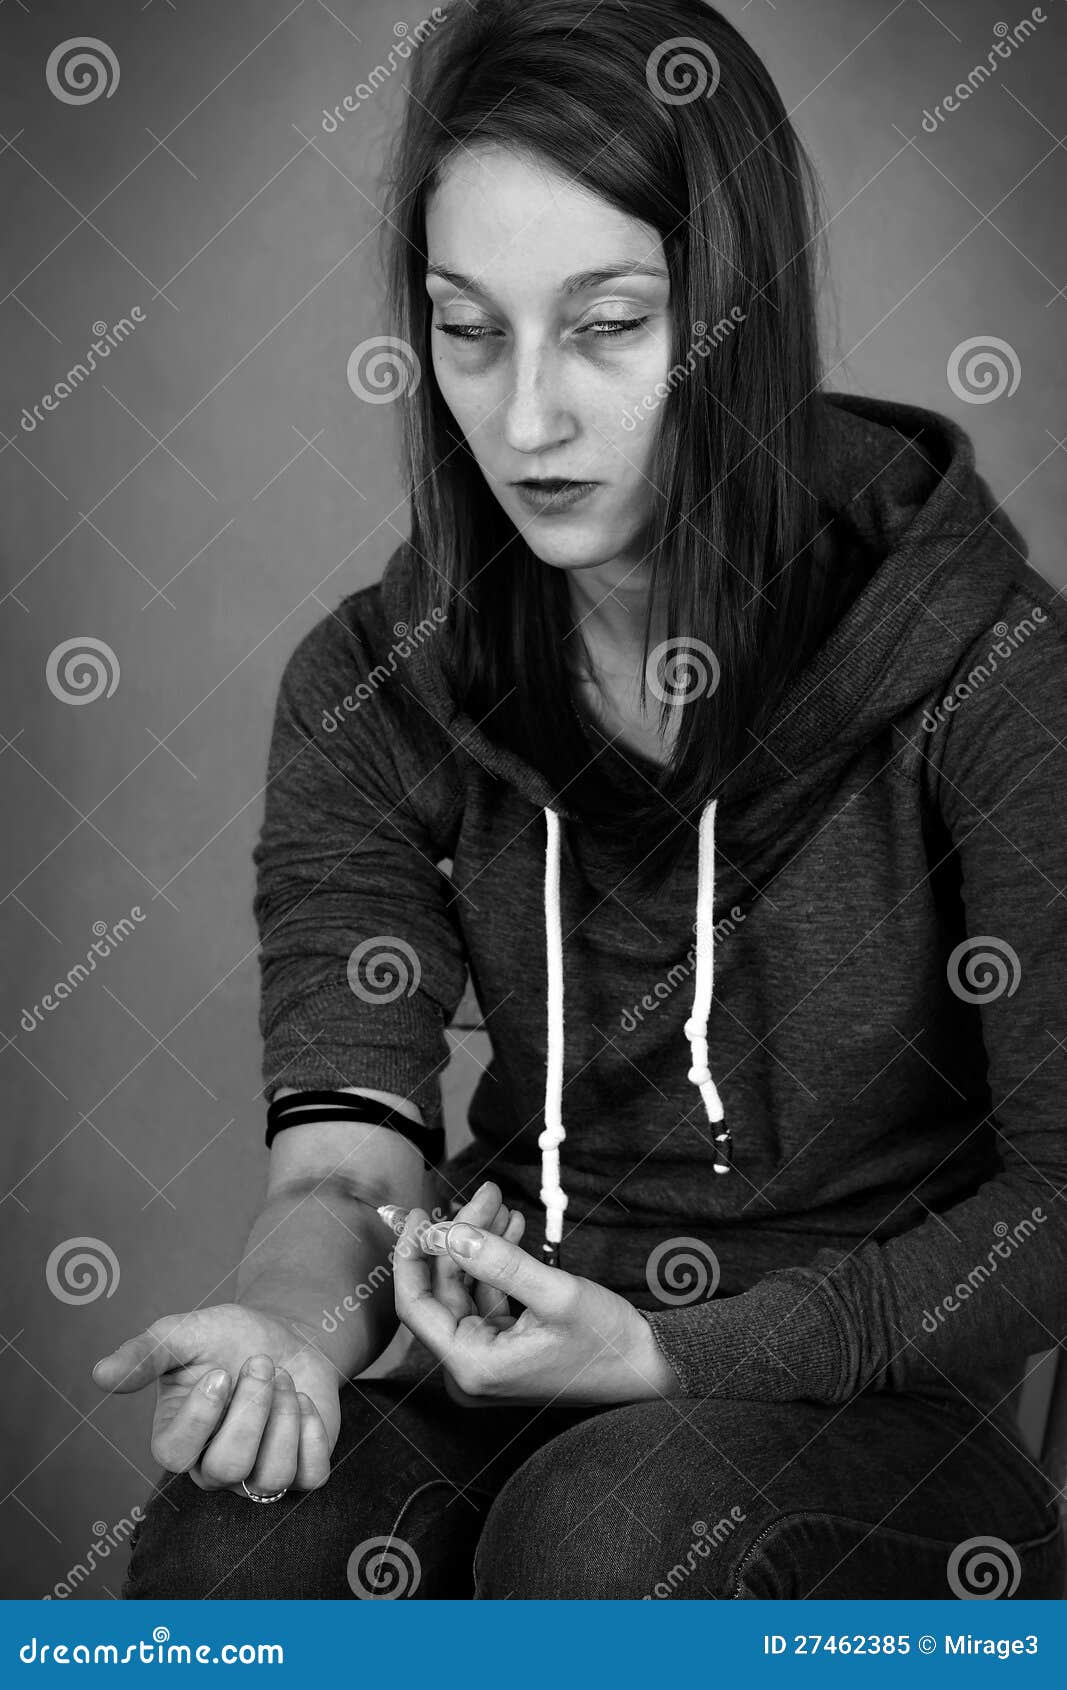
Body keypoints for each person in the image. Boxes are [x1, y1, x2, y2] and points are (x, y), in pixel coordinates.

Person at [94, 0, 1066, 1599]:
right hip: (522, 1354)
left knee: (609, 1532)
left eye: (607, 325)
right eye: (469, 330)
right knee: (233, 1543)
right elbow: (345, 1162)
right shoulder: (374, 682)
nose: (526, 417)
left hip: (878, 1405)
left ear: (740, 315)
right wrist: (288, 1326)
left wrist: (673, 1353)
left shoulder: (996, 668)